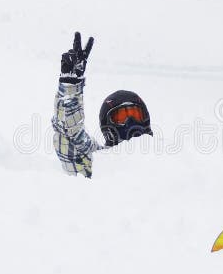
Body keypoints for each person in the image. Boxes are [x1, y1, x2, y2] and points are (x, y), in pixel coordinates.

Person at [52, 32, 153, 177]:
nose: (130, 122)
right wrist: (70, 86)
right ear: (108, 126)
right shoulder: (97, 162)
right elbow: (69, 135)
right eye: (121, 116)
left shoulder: (167, 157)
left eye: (135, 114)